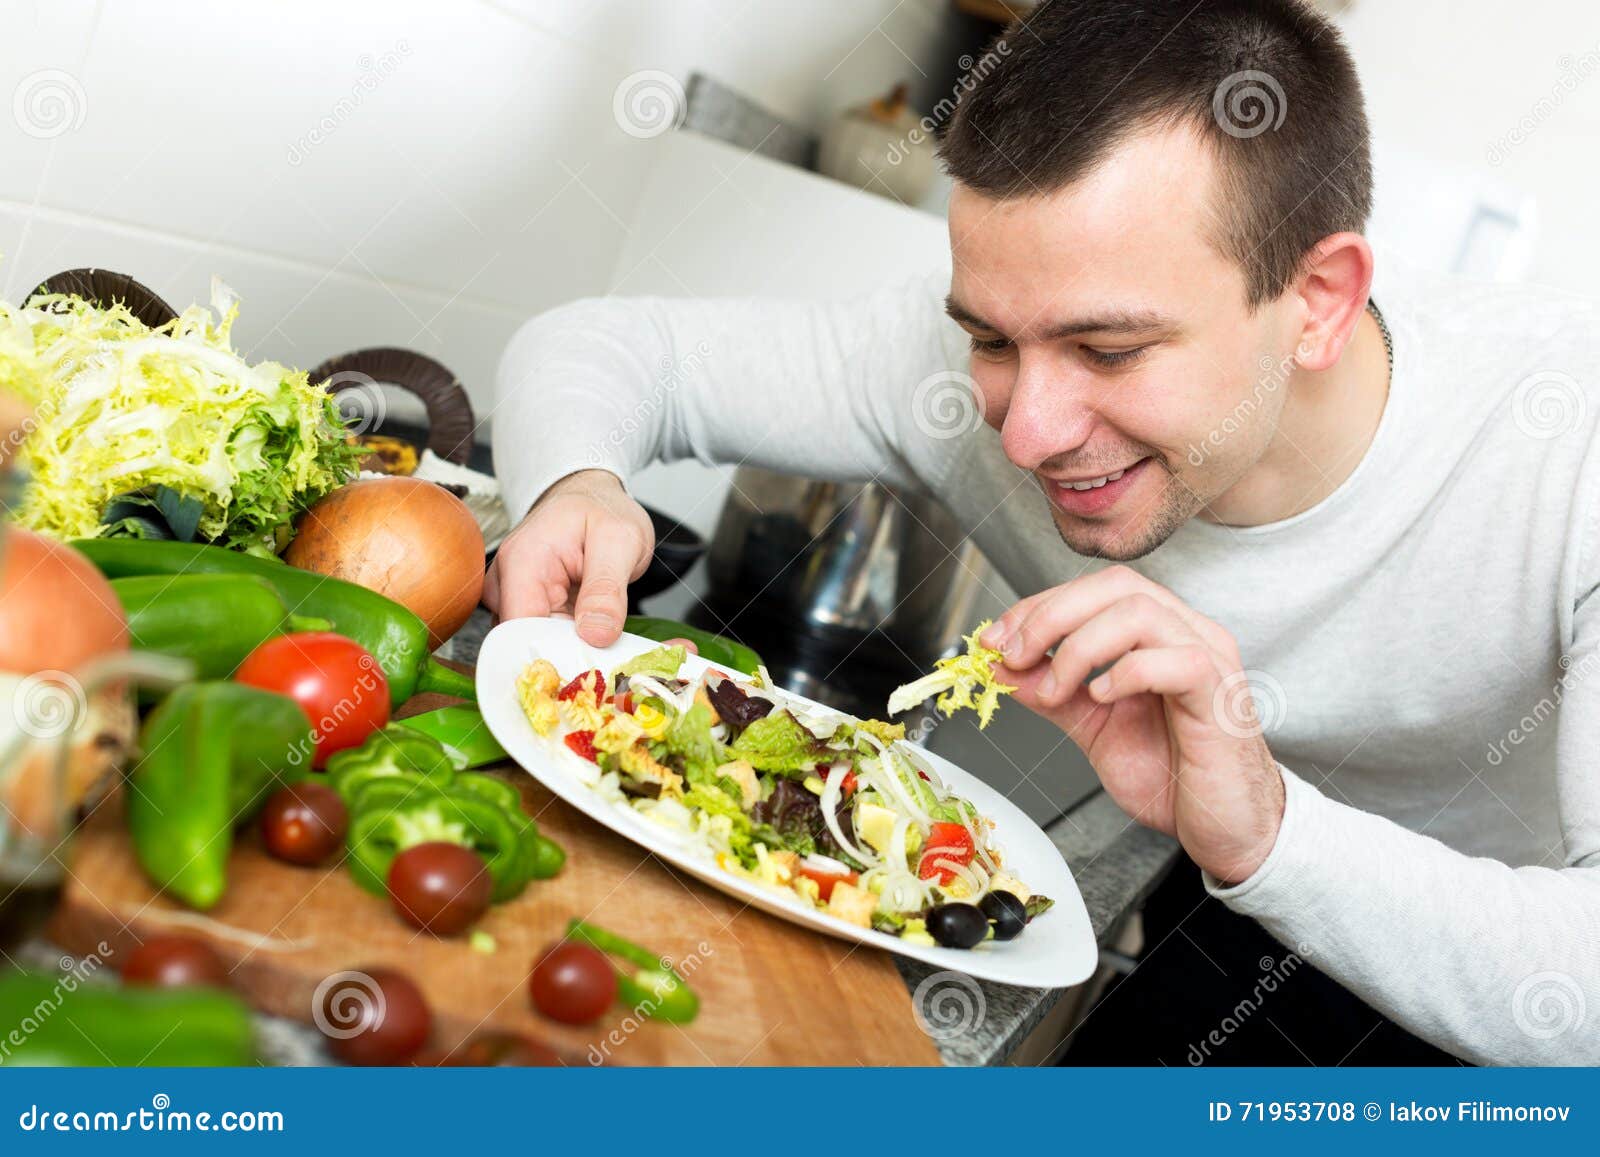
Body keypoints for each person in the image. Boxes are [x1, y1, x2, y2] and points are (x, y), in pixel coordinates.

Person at [484, 0, 1599, 1065]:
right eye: (991, 340)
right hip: (1229, 885)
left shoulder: (1567, 442)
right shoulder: (981, 362)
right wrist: (577, 485)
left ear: (1316, 301)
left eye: (1109, 351)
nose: (1027, 432)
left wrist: (1268, 830)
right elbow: (607, 349)